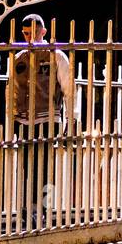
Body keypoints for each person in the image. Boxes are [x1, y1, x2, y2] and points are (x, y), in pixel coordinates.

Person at [9, 14, 75, 229]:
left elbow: (69, 90)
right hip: (24, 119)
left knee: (46, 167)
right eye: (26, 33)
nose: (29, 38)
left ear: (43, 32)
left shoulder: (56, 56)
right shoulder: (19, 57)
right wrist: (11, 118)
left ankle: (43, 209)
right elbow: (12, 90)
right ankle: (28, 209)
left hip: (48, 118)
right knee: (27, 167)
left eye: (33, 33)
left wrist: (70, 121)